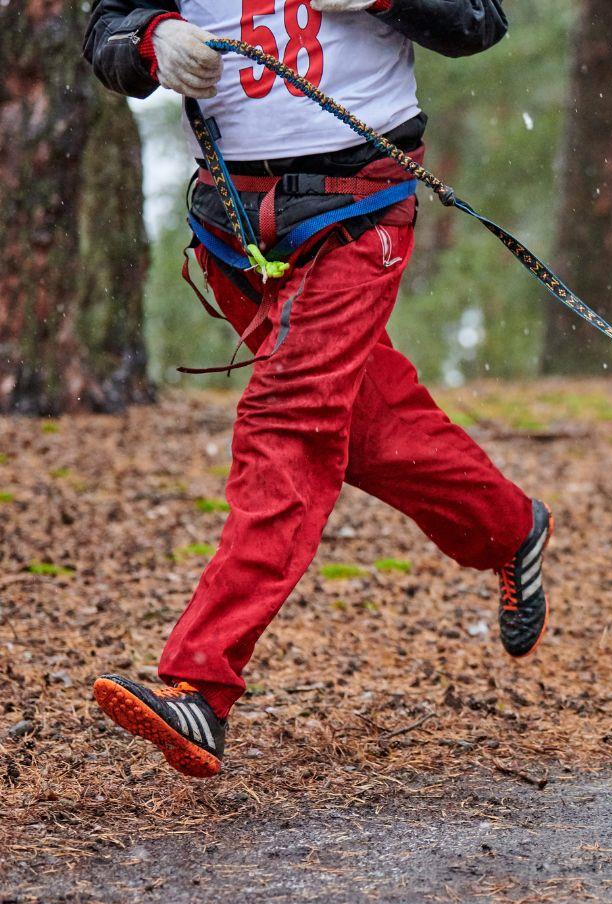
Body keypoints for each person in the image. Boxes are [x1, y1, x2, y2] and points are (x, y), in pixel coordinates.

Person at [83, 0, 552, 779]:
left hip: (356, 212)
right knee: (369, 432)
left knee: (290, 423)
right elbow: (107, 29)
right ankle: (509, 526)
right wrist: (149, 41)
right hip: (230, 225)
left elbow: (480, 19)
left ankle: (201, 683)